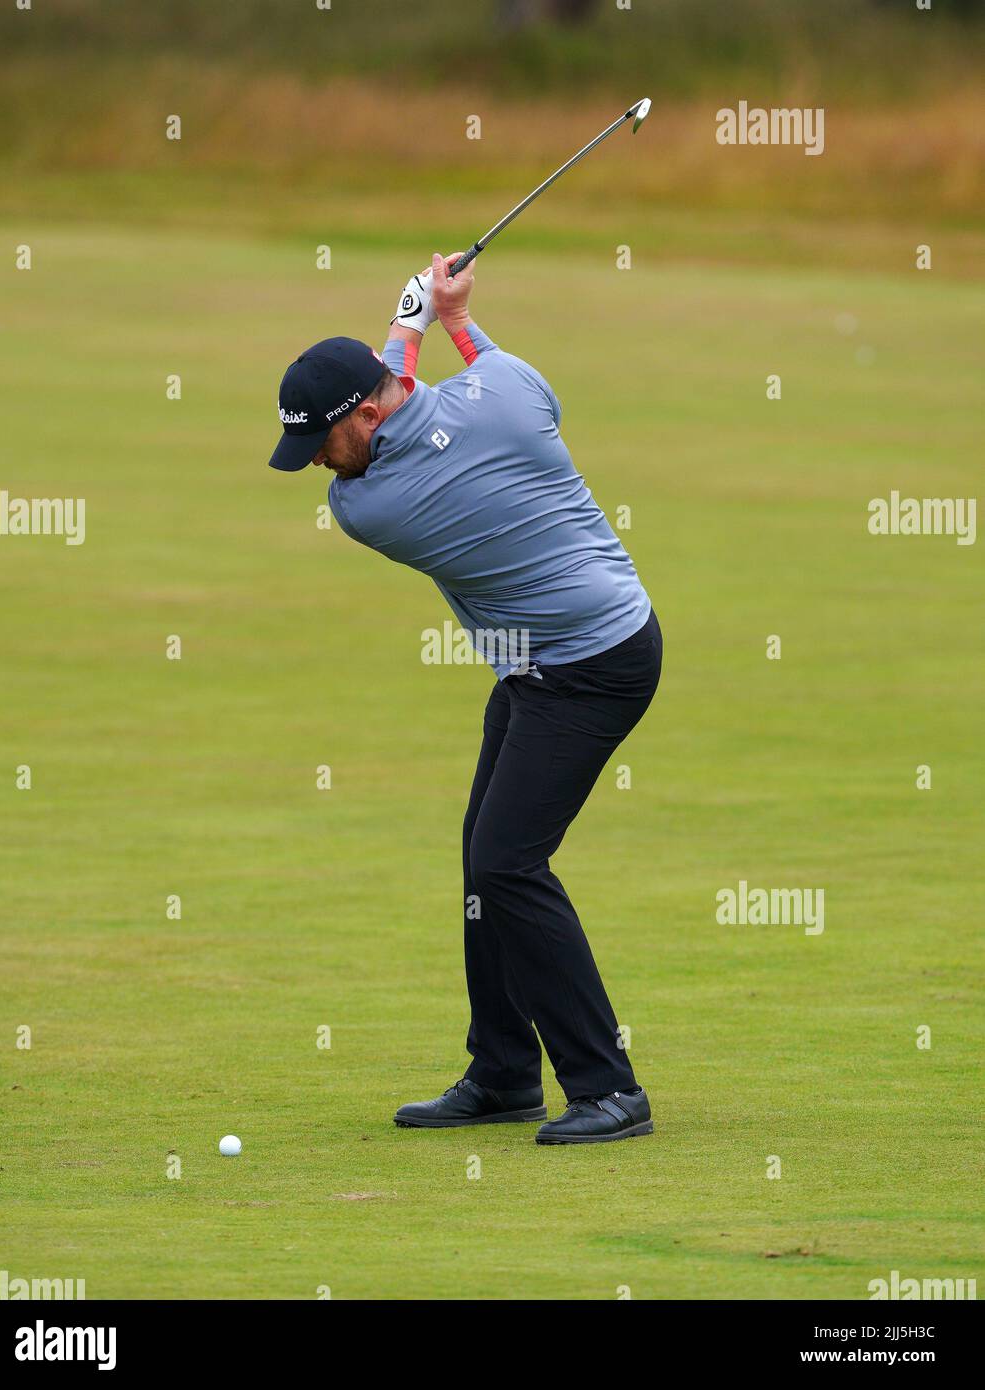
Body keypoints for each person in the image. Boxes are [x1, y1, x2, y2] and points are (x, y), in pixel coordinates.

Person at [268, 253, 662, 1144]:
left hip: (594, 664)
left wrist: (405, 326)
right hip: (542, 658)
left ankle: (609, 1089)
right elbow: (461, 384)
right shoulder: (513, 390)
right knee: (483, 856)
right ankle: (503, 1071)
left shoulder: (372, 508)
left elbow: (397, 412)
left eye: (323, 442)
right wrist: (448, 317)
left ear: (366, 414)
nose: (320, 464)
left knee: (507, 865)